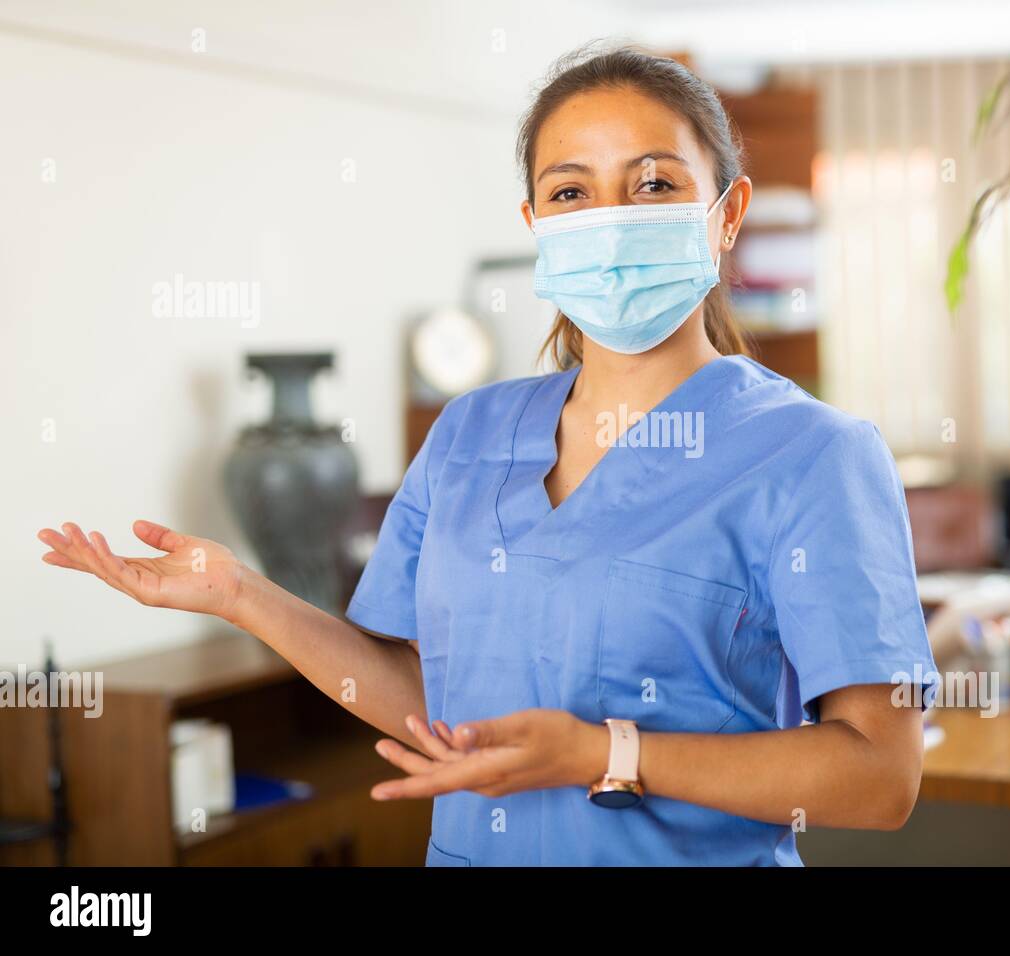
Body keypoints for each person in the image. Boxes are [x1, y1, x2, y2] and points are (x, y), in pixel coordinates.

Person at [37, 46, 937, 866]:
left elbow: (879, 779)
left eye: (655, 184)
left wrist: (607, 753)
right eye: (572, 191)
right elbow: (431, 698)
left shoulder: (813, 456)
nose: (611, 219)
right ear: (537, 221)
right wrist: (241, 594)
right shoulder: (468, 435)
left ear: (727, 211)